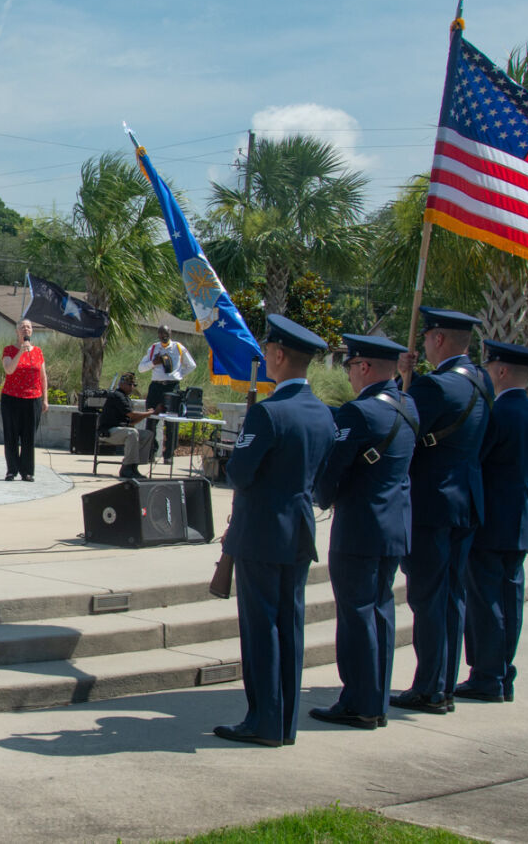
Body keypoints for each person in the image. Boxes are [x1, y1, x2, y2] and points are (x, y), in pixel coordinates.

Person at [212, 314, 335, 748]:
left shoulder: (269, 413)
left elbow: (240, 474)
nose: (266, 357)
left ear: (279, 356)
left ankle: (263, 719)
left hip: (261, 533)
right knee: (291, 626)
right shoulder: (323, 413)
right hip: (298, 532)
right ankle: (284, 722)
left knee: (261, 628)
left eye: (268, 351)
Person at [311, 333, 416, 730]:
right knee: (381, 612)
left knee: (356, 615)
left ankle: (359, 701)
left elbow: (332, 470)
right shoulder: (408, 405)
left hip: (359, 526)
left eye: (351, 365)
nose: (349, 373)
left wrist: (324, 497)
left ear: (365, 367)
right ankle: (376, 699)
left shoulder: (360, 413)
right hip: (393, 526)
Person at [393, 306, 493, 715]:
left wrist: (405, 382)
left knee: (429, 597)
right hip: (466, 498)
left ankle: (430, 686)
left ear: (436, 339)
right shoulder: (482, 381)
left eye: (427, 339)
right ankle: (444, 683)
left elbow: (403, 429)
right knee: (452, 596)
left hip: (432, 503)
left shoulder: (435, 388)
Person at [458, 339, 528, 704]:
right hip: (518, 519)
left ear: (499, 370)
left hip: (490, 521)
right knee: (510, 600)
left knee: (486, 601)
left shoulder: (497, 415)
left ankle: (487, 675)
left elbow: (476, 460)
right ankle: (503, 673)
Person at [0, 319, 48, 481]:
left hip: (33, 398)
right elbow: (9, 370)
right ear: (17, 332)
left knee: (29, 437)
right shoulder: (9, 350)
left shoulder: (38, 352)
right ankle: (11, 470)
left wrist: (45, 399)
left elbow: (43, 377)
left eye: (28, 327)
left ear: (32, 331)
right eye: (22, 327)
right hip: (11, 399)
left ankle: (27, 471)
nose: (26, 329)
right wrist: (21, 351)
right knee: (11, 436)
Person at [138, 325, 196, 462]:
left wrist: (178, 375)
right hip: (156, 387)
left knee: (171, 423)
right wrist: (154, 362)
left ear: (170, 333)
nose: (164, 335)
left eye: (166, 333)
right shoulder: (153, 348)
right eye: (161, 333)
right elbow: (141, 368)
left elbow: (192, 365)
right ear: (158, 334)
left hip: (172, 388)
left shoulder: (178, 347)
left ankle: (169, 455)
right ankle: (151, 453)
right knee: (152, 419)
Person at [96, 371, 156, 480]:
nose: (132, 387)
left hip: (121, 431)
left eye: (133, 385)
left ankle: (134, 466)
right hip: (109, 431)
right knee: (132, 433)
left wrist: (147, 414)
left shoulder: (126, 398)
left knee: (147, 434)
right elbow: (131, 414)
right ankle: (127, 468)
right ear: (121, 384)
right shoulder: (117, 396)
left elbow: (131, 421)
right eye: (130, 384)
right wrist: (150, 413)